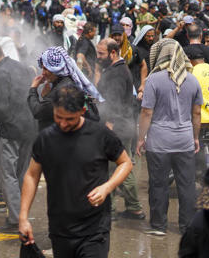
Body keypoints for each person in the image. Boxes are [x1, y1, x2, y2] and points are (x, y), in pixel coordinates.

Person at [19, 85, 133, 258]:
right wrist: (23, 217)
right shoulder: (45, 139)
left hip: (95, 230)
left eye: (69, 119)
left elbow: (125, 163)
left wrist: (107, 187)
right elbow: (31, 175)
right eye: (58, 117)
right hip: (60, 229)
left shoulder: (100, 134)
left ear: (82, 110)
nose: (63, 123)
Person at [137, 38, 203, 235]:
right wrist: (195, 137)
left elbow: (147, 113)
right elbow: (196, 114)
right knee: (187, 185)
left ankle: (159, 226)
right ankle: (186, 226)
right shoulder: (192, 80)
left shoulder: (153, 80)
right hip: (184, 141)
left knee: (158, 184)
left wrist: (141, 138)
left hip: (158, 143)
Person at [0, 41, 38, 233]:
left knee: (8, 176)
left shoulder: (0, 74)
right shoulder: (21, 67)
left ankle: (15, 219)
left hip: (10, 131)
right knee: (23, 174)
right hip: (29, 128)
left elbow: (1, 108)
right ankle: (23, 215)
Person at [96, 38, 145, 220]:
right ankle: (133, 207)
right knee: (125, 165)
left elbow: (114, 104)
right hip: (123, 125)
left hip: (117, 127)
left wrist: (108, 127)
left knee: (112, 168)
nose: (98, 57)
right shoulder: (116, 69)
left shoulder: (116, 73)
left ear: (113, 53)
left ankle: (111, 210)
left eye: (101, 54)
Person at [28, 46, 104, 131]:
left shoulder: (64, 89)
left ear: (57, 69)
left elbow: (38, 111)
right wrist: (46, 96)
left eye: (46, 69)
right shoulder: (65, 81)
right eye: (43, 68)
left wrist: (33, 88)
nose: (43, 73)